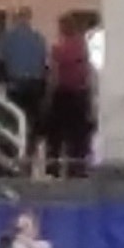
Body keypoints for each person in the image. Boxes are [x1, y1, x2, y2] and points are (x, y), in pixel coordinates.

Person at [45, 12, 93, 176]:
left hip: (64, 93)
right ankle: (77, 168)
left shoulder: (59, 49)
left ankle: (53, 168)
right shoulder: (82, 46)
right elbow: (86, 71)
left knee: (56, 134)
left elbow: (54, 72)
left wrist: (49, 93)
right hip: (80, 93)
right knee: (78, 136)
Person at [0, 7, 48, 151]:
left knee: (13, 118)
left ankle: (14, 148)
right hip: (35, 85)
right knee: (32, 119)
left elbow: (0, 62)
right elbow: (44, 64)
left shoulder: (7, 37)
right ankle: (29, 149)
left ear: (15, 19)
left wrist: (0, 82)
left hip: (15, 84)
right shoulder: (38, 38)